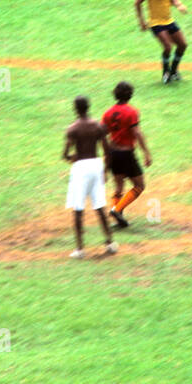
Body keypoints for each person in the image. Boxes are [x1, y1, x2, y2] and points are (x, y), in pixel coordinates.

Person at [62, 96, 117, 258]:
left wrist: (72, 157)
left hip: (81, 168)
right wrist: (105, 171)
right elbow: (107, 151)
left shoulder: (73, 129)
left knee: (78, 208)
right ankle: (110, 243)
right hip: (96, 165)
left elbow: (65, 154)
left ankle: (80, 249)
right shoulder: (98, 126)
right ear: (88, 107)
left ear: (75, 109)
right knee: (100, 206)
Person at [102, 81, 152, 229]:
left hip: (113, 153)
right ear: (130, 95)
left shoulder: (107, 113)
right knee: (139, 185)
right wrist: (146, 153)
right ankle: (116, 210)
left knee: (118, 186)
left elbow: (103, 136)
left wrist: (106, 158)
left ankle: (118, 218)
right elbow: (137, 133)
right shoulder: (131, 112)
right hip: (126, 154)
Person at [136, 0, 190, 83]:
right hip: (156, 23)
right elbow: (137, 3)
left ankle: (174, 71)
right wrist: (141, 21)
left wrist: (179, 5)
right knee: (168, 47)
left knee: (183, 45)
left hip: (168, 20)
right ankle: (166, 73)